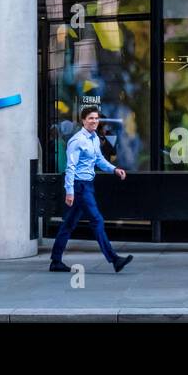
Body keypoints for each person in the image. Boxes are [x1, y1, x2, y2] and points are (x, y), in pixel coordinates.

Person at [49, 106, 132, 274]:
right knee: (97, 220)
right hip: (80, 187)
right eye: (91, 118)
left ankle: (55, 261)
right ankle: (114, 259)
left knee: (68, 224)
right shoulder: (77, 140)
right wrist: (70, 191)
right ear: (83, 120)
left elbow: (99, 160)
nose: (94, 121)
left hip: (87, 185)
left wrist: (114, 169)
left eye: (96, 118)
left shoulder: (94, 138)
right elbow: (70, 167)